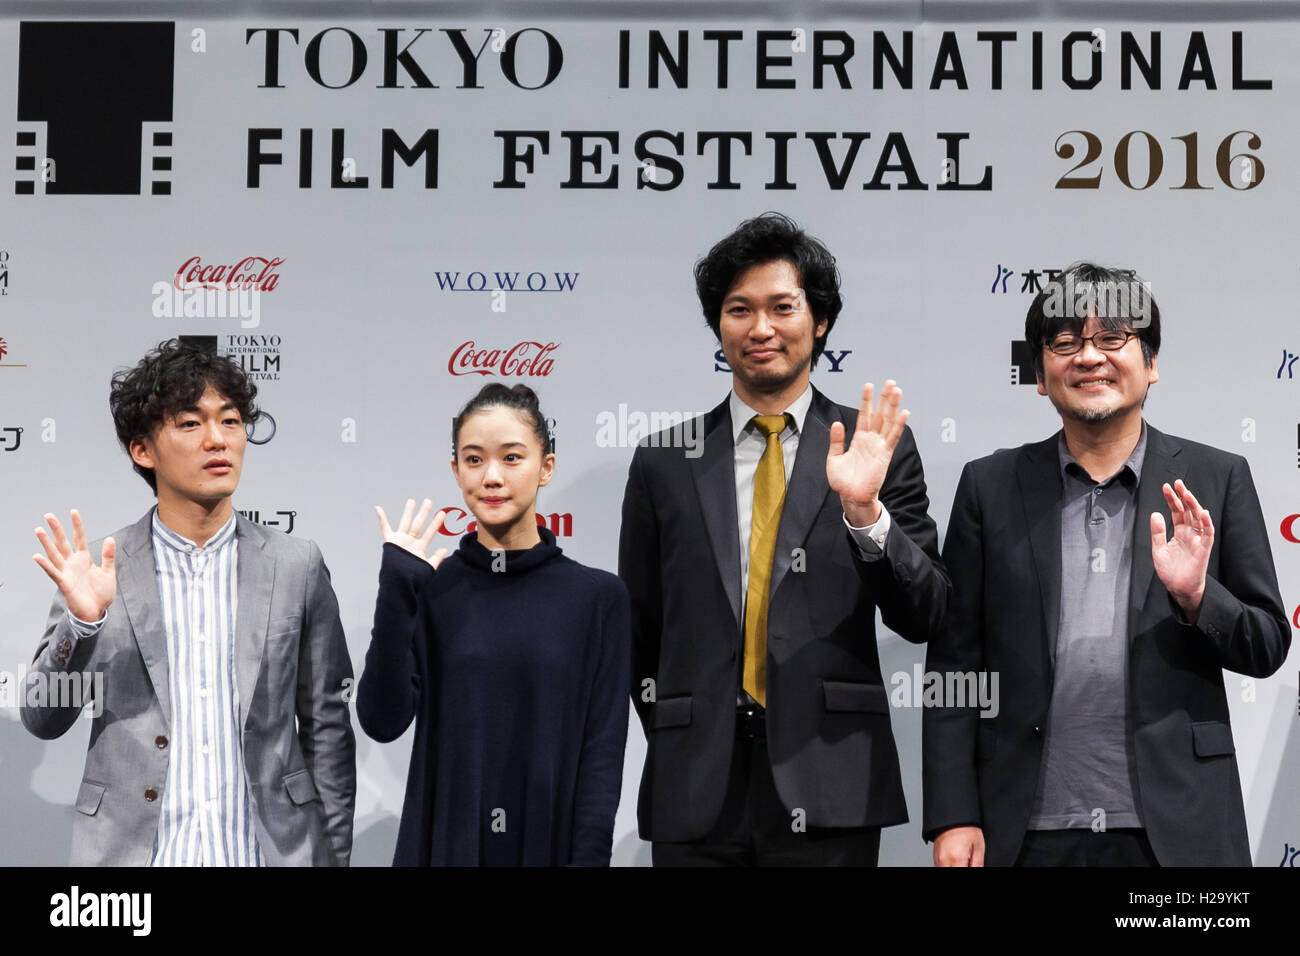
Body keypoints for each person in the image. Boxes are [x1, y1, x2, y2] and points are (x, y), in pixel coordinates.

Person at [923, 262, 1291, 867]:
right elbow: (955, 661)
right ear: (1040, 374)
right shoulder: (990, 485)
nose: (1088, 357)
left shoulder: (1215, 479)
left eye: (1112, 338)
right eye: (1065, 343)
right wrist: (953, 813)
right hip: (1023, 829)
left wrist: (1200, 597)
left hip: (1178, 826)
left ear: (1150, 363)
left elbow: (1268, 643)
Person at [619, 212, 950, 866]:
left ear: (820, 320)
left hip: (832, 777)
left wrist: (864, 513)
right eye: (739, 309)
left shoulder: (874, 445)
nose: (761, 328)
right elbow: (639, 631)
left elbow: (926, 613)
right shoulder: (665, 460)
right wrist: (679, 727)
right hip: (695, 785)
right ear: (718, 325)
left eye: (782, 307)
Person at [21, 339, 356, 866]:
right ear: (142, 450)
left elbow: (327, 731)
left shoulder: (297, 565)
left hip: (265, 854)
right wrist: (83, 625)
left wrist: (333, 860)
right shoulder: (99, 569)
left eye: (230, 420)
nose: (217, 440)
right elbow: (43, 718)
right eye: (190, 423)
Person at [356, 383, 630, 866]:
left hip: (551, 846)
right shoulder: (432, 587)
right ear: (456, 469)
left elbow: (602, 759)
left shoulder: (597, 598)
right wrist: (398, 590)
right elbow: (381, 721)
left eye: (512, 458)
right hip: (443, 847)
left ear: (546, 467)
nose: (492, 477)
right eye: (475, 459)